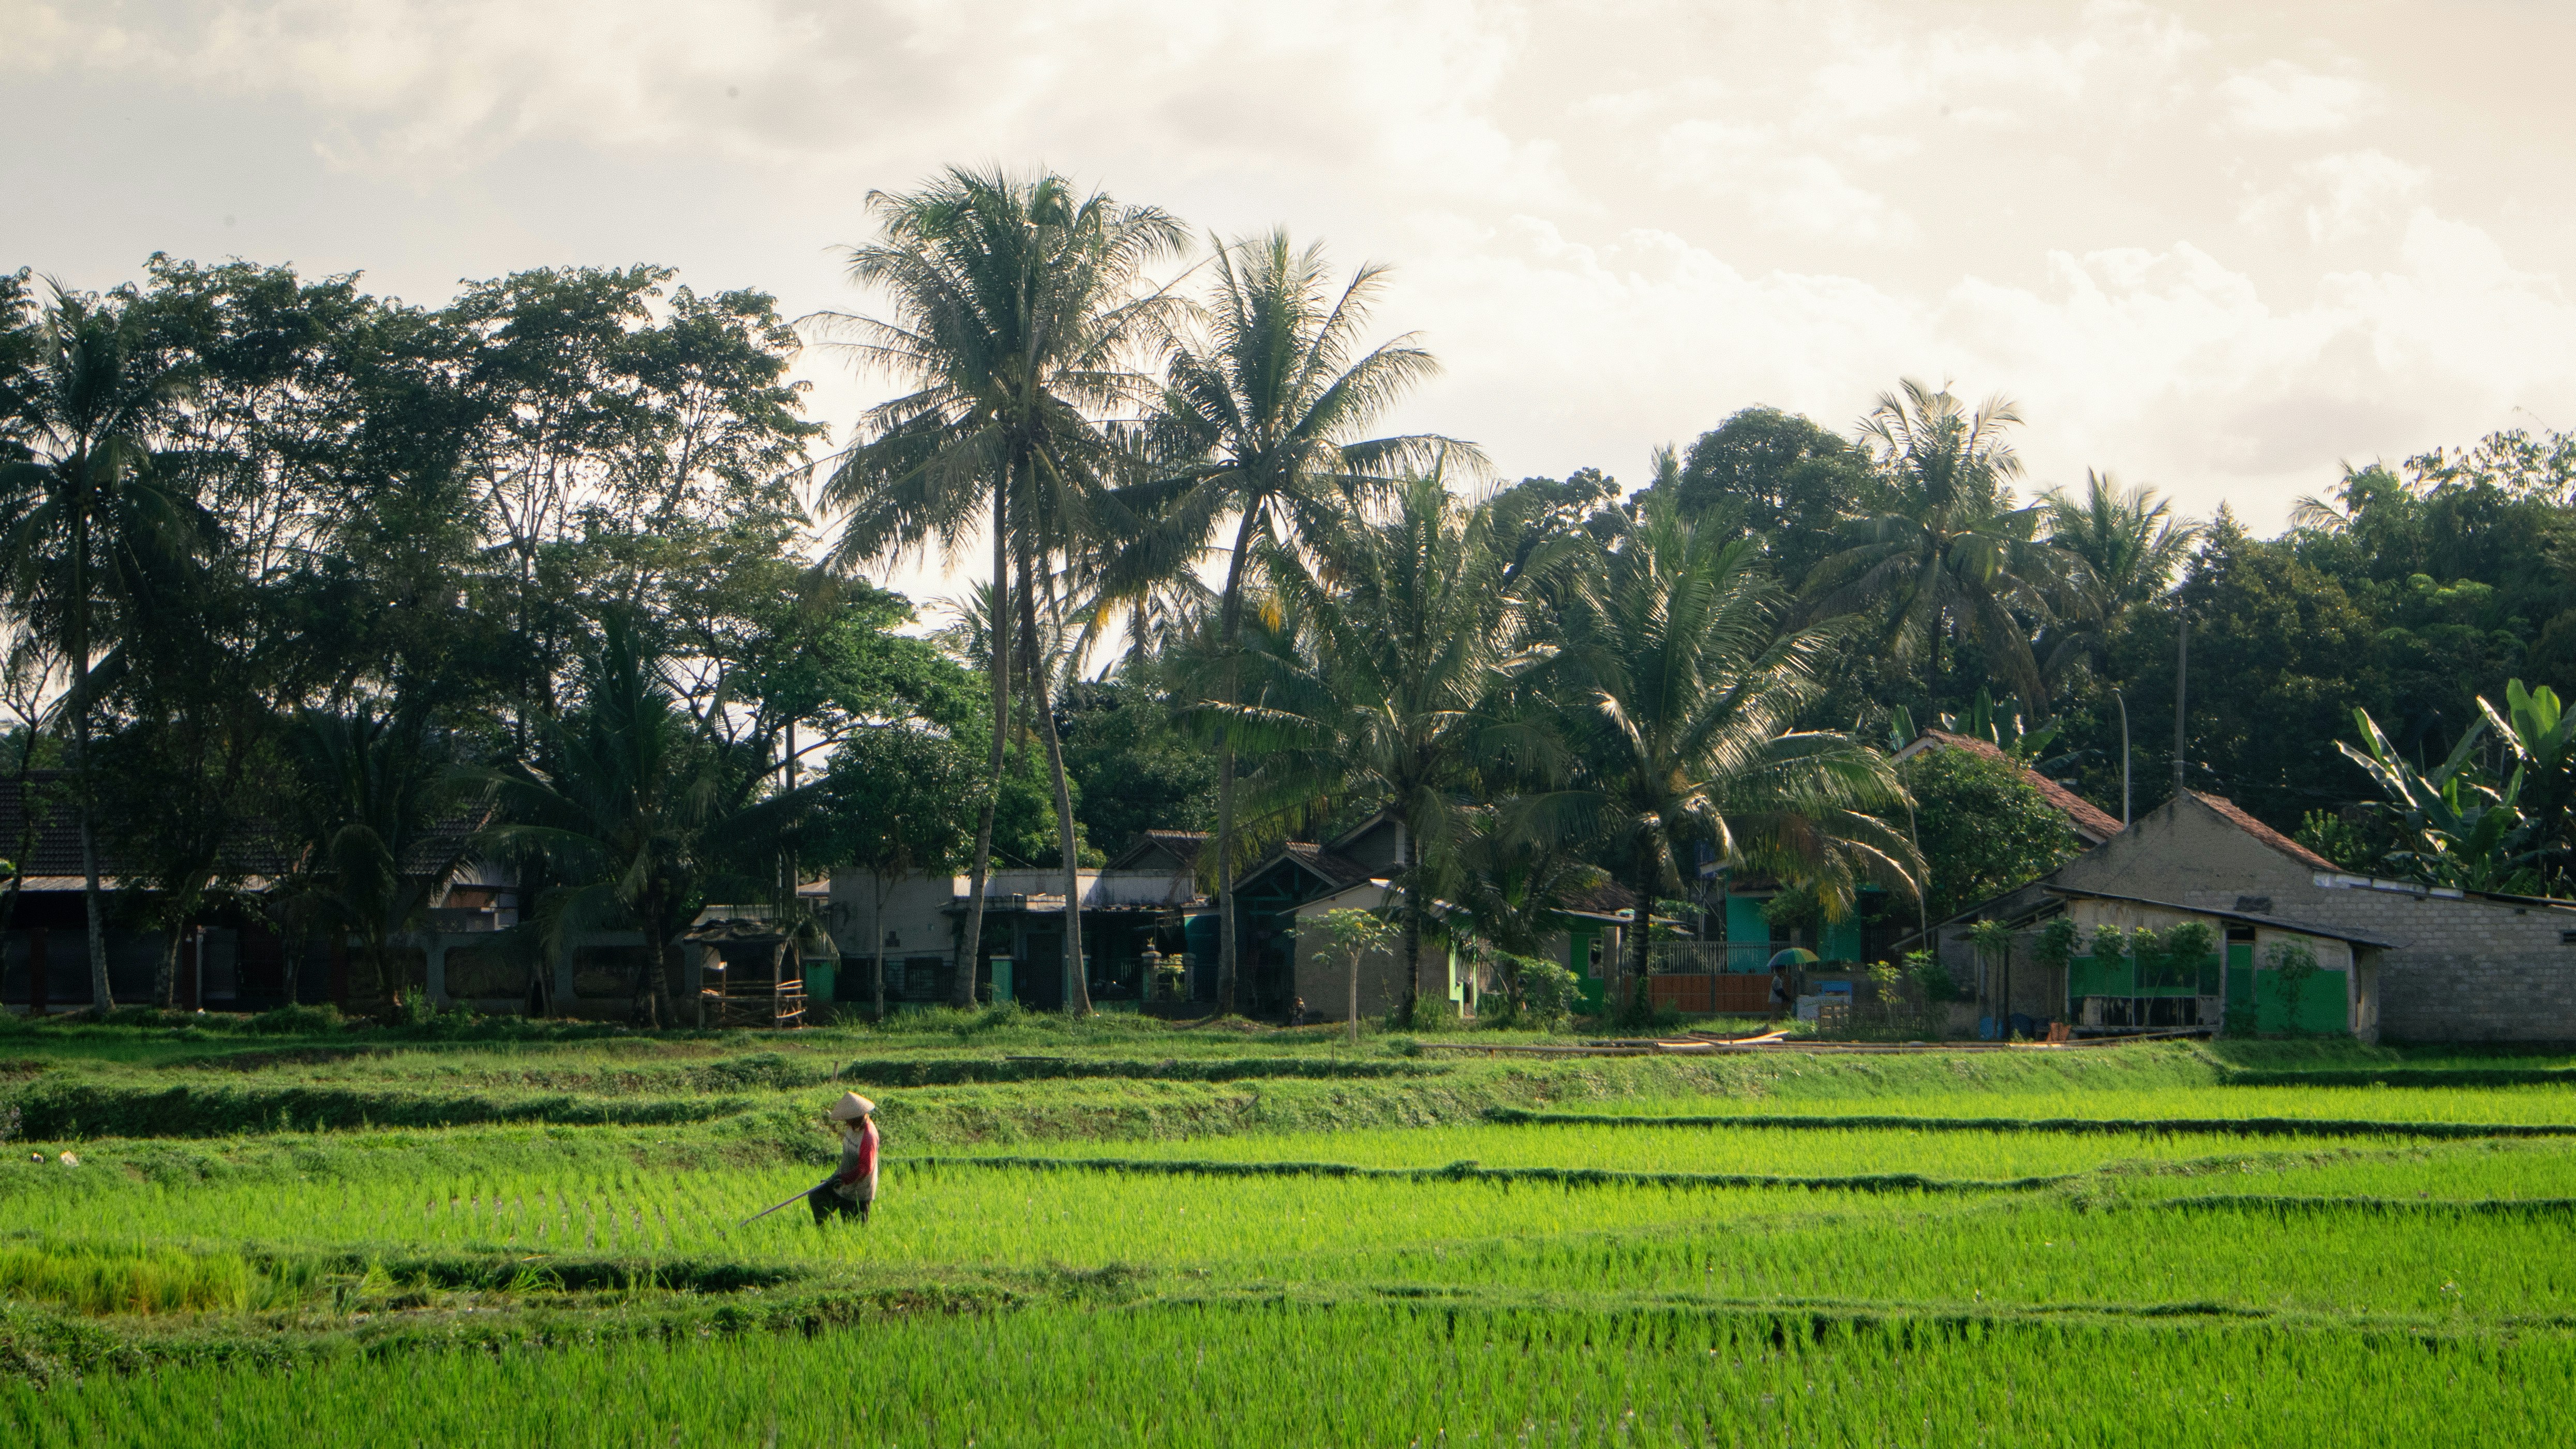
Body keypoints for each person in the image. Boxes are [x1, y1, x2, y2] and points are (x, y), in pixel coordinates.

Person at [809, 1092, 878, 1224]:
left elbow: (865, 1168)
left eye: (849, 1119)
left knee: (853, 1231)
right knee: (817, 1196)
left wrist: (844, 1179)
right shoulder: (853, 1127)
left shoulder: (869, 1136)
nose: (847, 1123)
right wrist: (836, 1177)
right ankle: (828, 1236)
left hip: (858, 1191)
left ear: (858, 1116)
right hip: (843, 1182)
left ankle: (841, 1242)